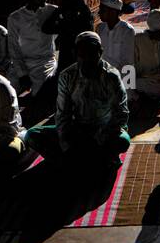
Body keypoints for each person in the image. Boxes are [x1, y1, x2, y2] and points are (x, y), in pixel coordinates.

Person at [30, 31, 129, 167]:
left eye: (92, 55)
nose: (88, 60)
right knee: (33, 134)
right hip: (78, 130)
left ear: (100, 52)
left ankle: (91, 158)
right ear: (75, 54)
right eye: (83, 55)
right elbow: (62, 113)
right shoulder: (67, 76)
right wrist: (65, 142)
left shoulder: (111, 76)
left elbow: (121, 113)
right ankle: (76, 158)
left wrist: (100, 136)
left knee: (122, 141)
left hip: (104, 130)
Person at [7, 0, 59, 97]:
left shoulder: (53, 11)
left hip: (45, 62)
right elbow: (13, 48)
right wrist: (22, 73)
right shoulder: (15, 18)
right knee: (7, 89)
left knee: (42, 90)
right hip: (22, 61)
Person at [96, 0, 136, 75]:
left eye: (103, 10)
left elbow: (128, 62)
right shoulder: (100, 28)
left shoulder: (127, 30)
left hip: (120, 76)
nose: (99, 12)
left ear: (113, 12)